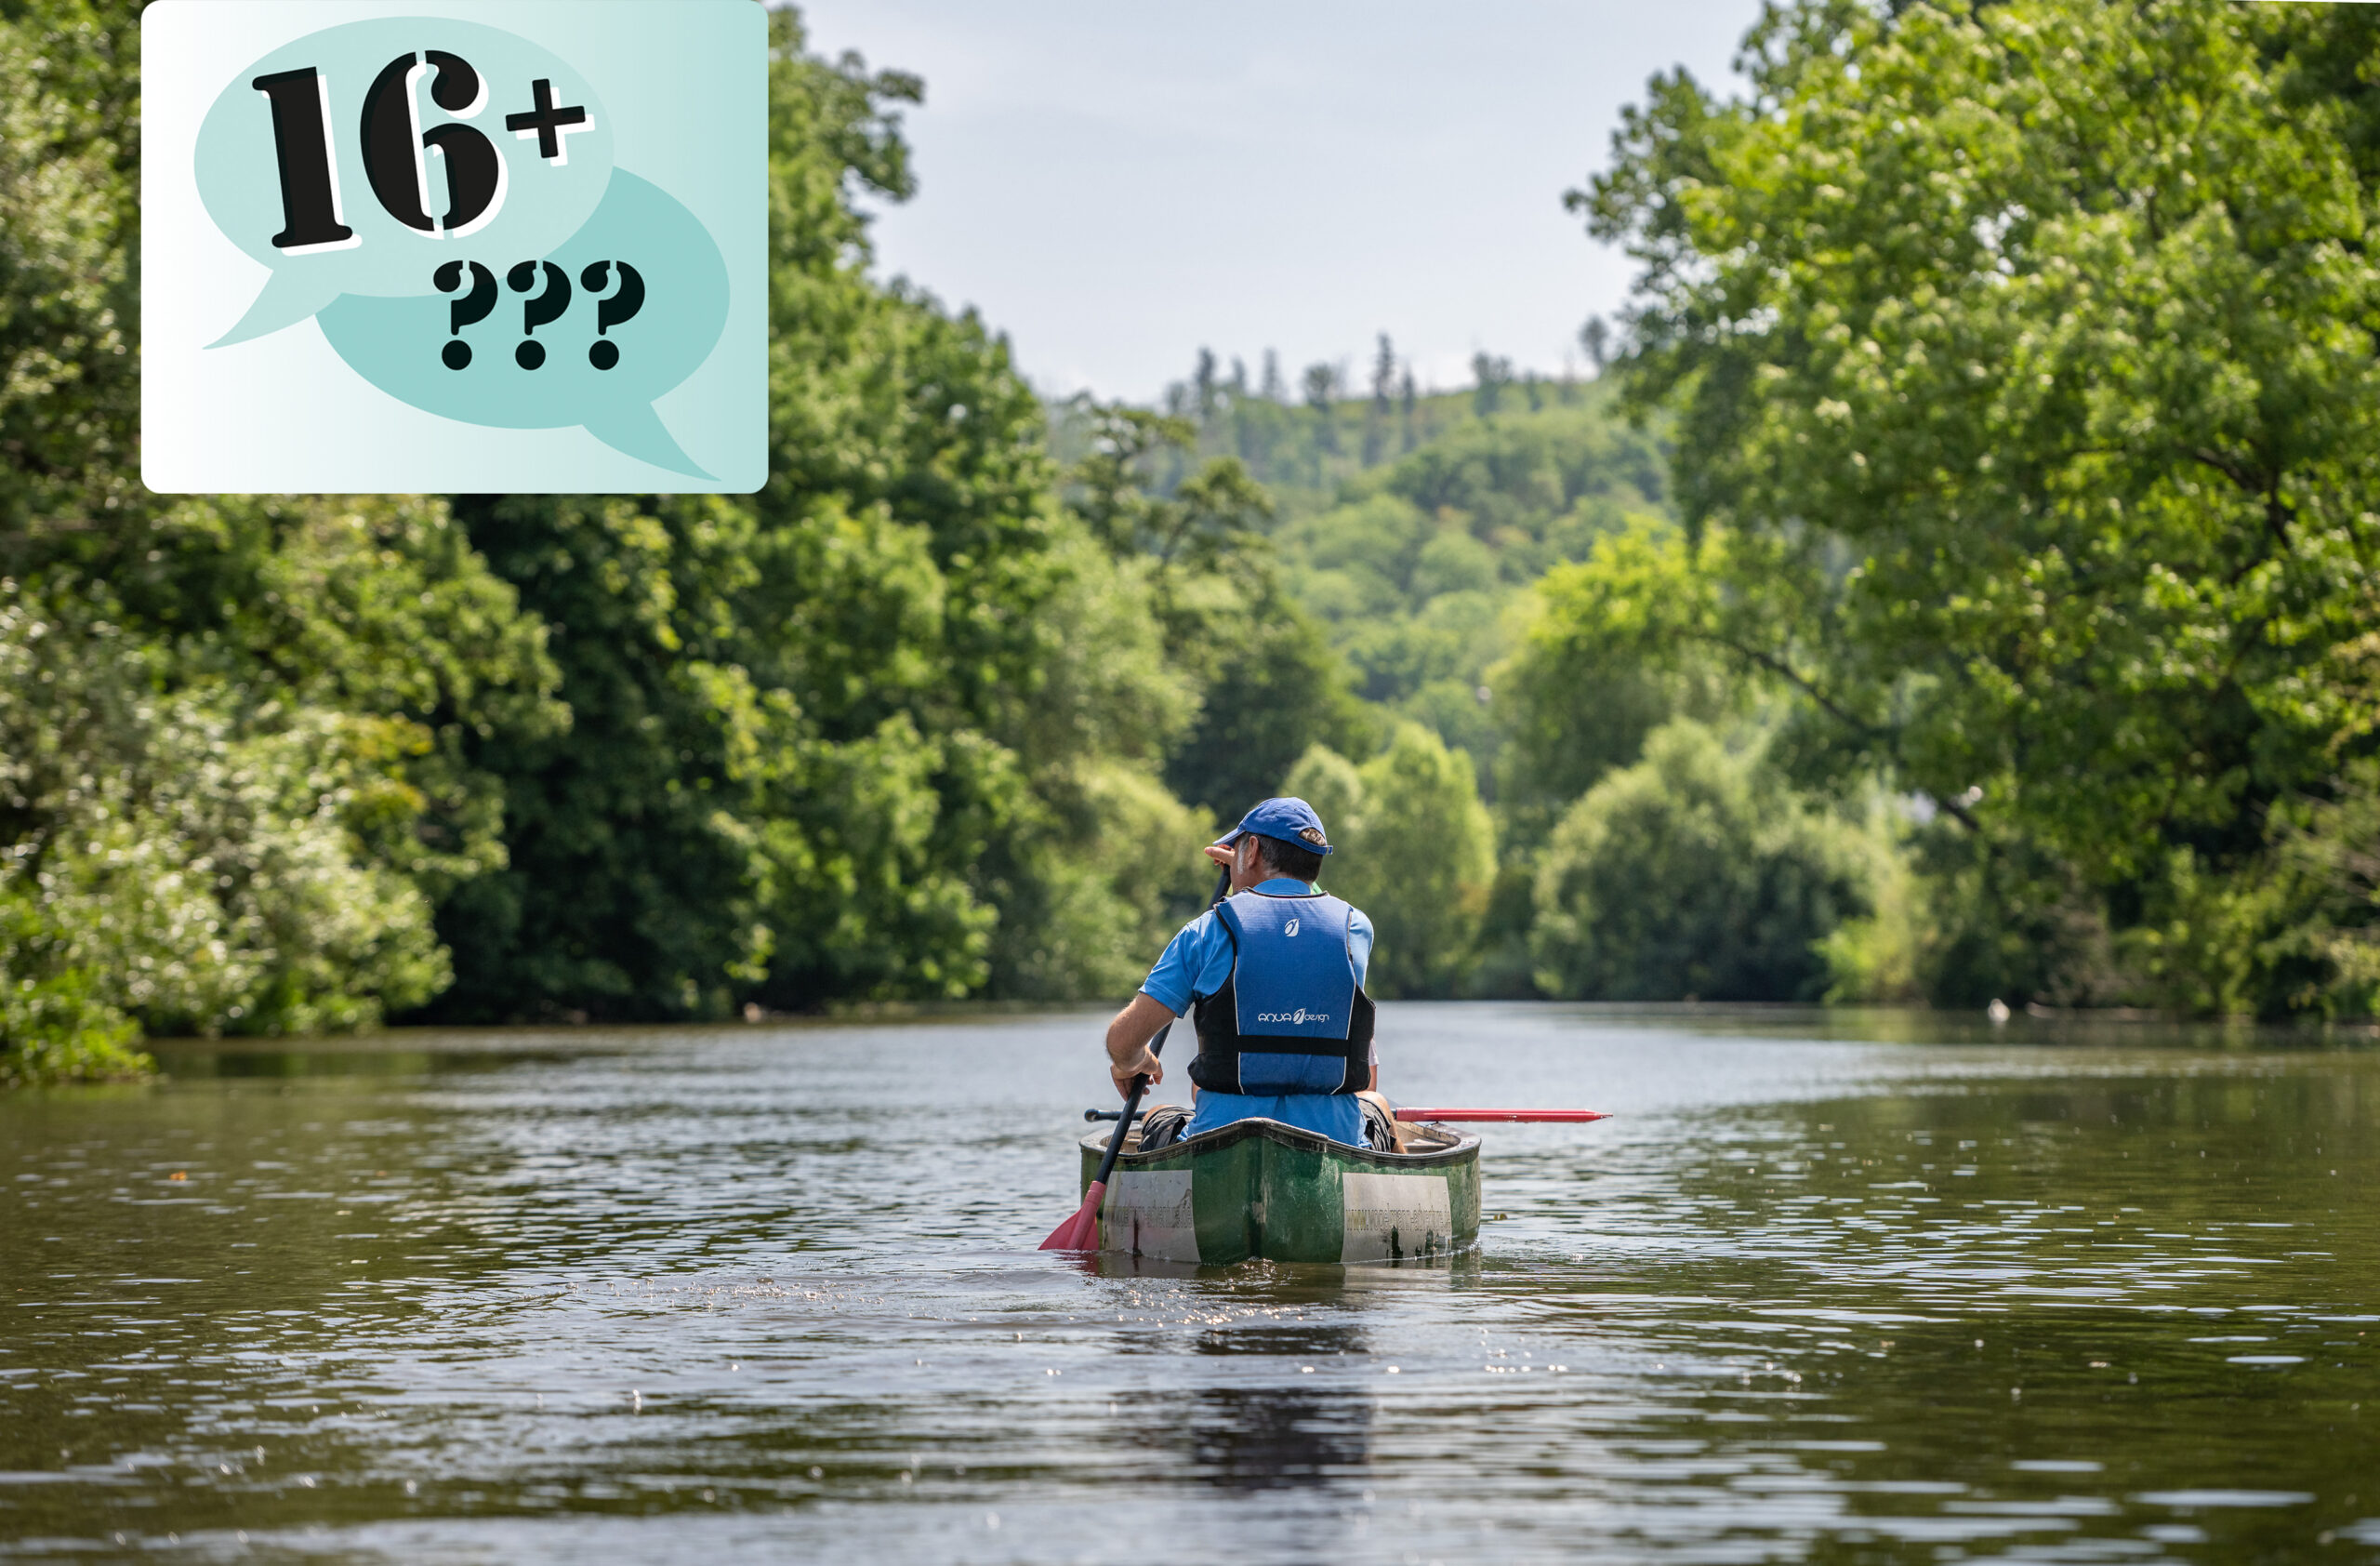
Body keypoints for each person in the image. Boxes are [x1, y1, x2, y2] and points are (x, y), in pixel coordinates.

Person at [1103, 796, 1387, 1149]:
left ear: (1251, 849)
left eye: (1237, 847)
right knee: (1378, 1108)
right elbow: (1306, 914)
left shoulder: (1207, 930)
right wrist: (1253, 879)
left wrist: (1136, 1059)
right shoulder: (1356, 928)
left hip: (1220, 1141)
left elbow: (1121, 1041)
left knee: (1158, 1112)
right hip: (1337, 1142)